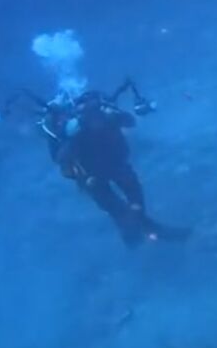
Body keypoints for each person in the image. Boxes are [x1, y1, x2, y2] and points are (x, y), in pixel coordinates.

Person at [38, 88, 189, 247]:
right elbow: (60, 157)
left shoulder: (105, 114)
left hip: (112, 167)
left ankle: (139, 238)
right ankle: (142, 238)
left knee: (130, 205)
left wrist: (110, 115)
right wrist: (74, 135)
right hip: (93, 175)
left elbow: (129, 121)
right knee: (120, 210)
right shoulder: (69, 129)